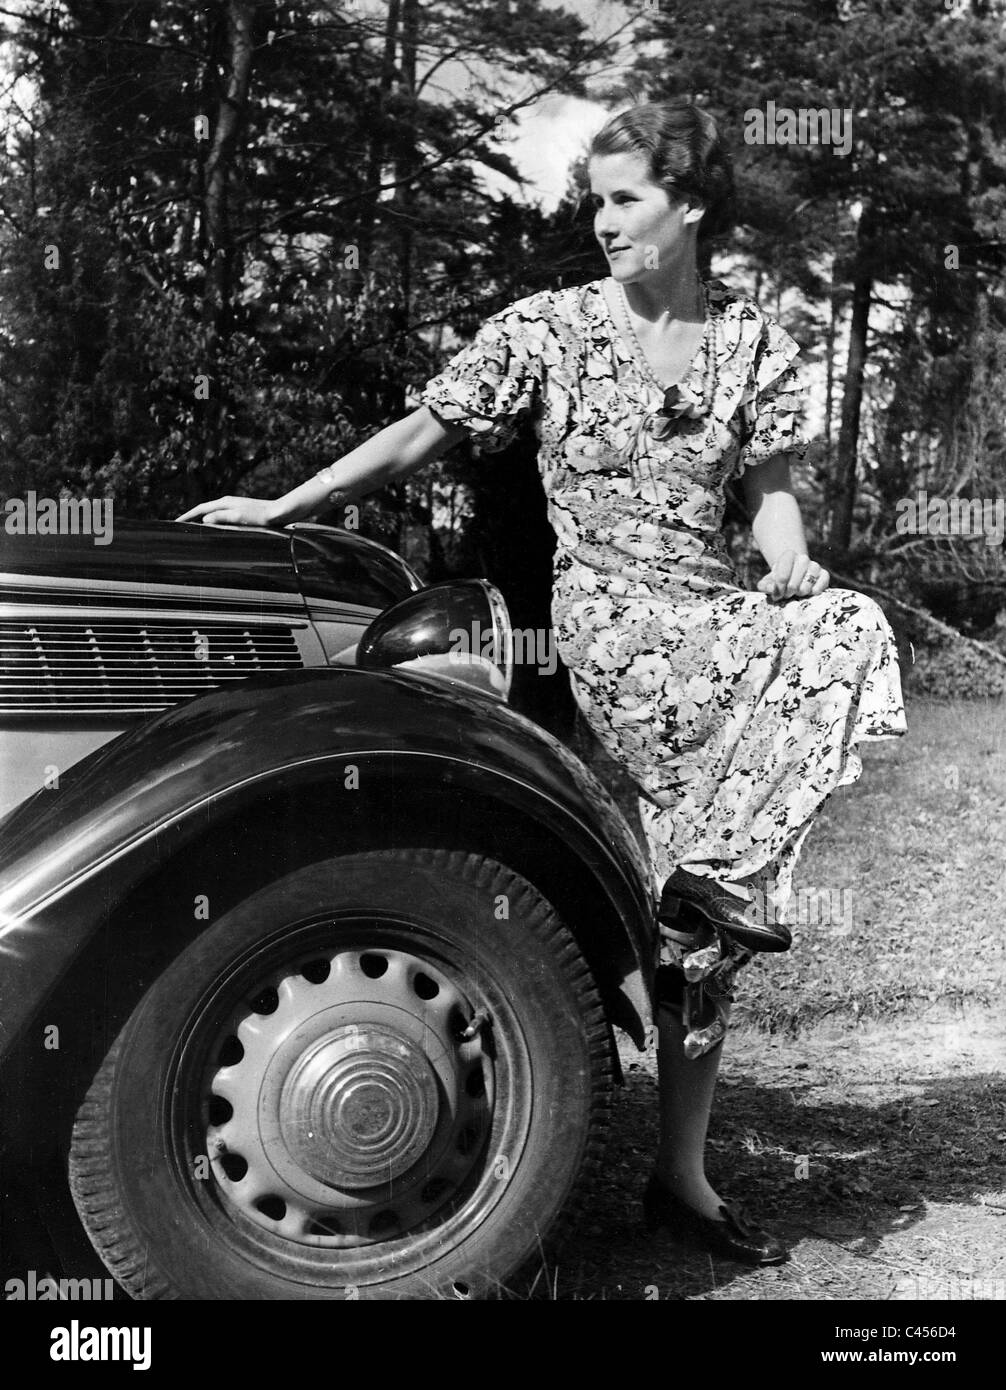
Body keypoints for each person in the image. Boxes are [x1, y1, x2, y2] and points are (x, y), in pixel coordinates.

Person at [178, 98, 907, 1267]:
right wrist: (288, 503)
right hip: (613, 625)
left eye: (625, 200)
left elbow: (768, 499)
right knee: (714, 874)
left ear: (691, 205)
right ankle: (711, 885)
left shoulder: (753, 345)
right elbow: (423, 430)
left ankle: (680, 1172)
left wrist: (785, 559)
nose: (603, 223)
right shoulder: (549, 329)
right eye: (595, 202)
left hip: (713, 618)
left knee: (839, 640)